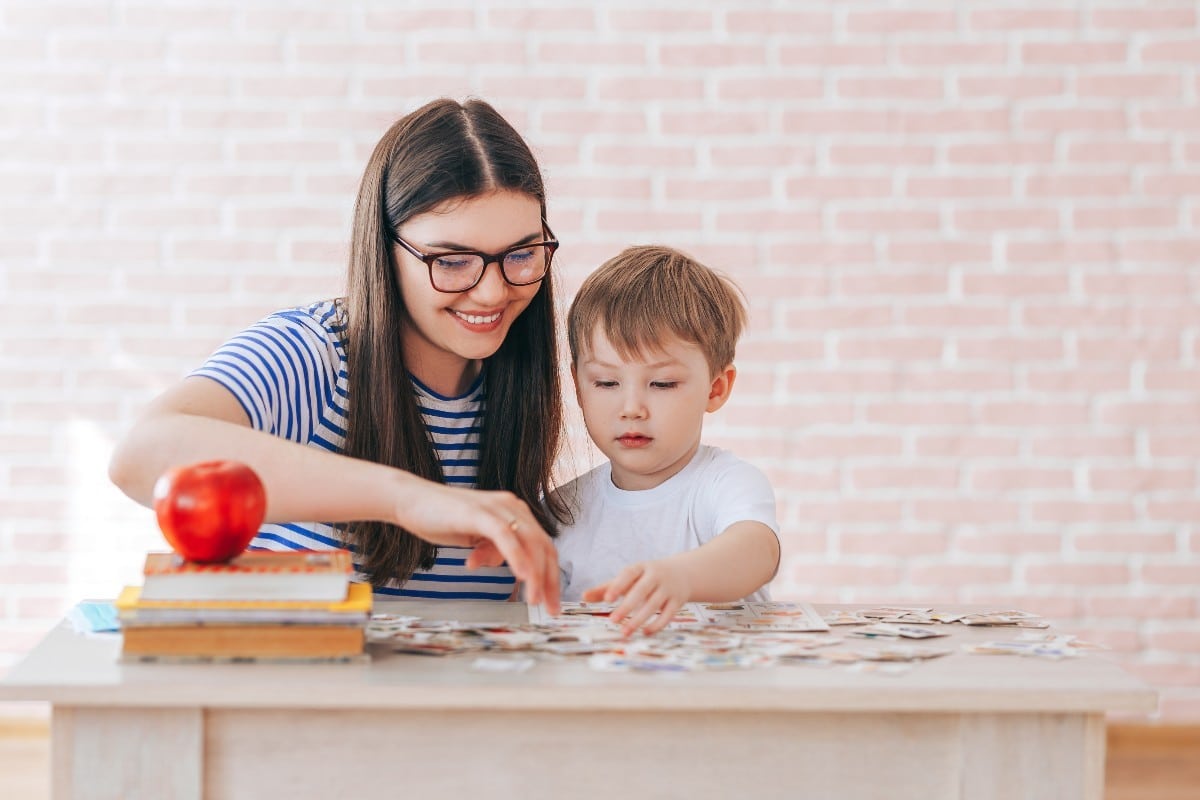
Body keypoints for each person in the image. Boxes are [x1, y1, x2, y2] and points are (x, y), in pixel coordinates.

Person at [109, 98, 565, 612]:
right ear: (384, 250)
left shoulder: (514, 381)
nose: (491, 292)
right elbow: (141, 455)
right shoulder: (313, 354)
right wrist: (407, 497)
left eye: (522, 254)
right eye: (453, 261)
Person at [552, 245, 781, 635]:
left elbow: (757, 550)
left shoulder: (725, 482)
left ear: (716, 388)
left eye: (662, 383)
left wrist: (681, 578)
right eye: (606, 382)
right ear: (577, 385)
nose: (632, 408)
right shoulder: (560, 512)